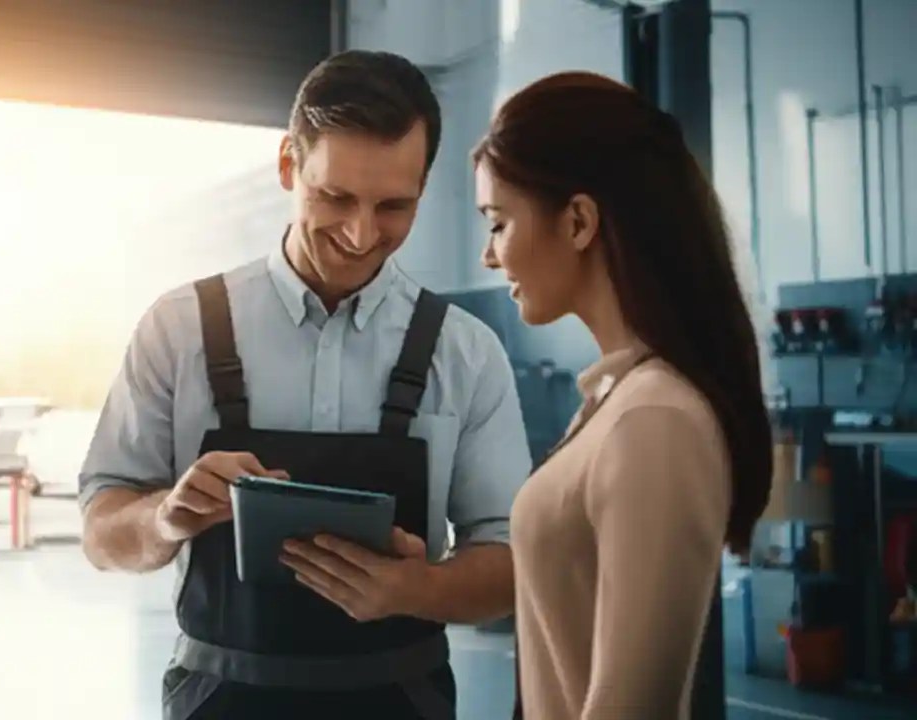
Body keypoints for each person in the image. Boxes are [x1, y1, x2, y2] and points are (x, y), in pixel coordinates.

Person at [79, 49, 532, 720]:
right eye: (336, 197)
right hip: (218, 701)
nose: (360, 233)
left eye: (393, 206)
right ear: (289, 164)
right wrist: (165, 516)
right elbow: (99, 532)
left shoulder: (465, 353)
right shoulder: (179, 331)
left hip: (401, 702)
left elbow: (510, 567)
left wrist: (419, 588)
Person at [472, 71, 772, 719]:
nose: (488, 258)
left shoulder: (656, 420)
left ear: (578, 221)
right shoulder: (613, 404)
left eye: (497, 224)